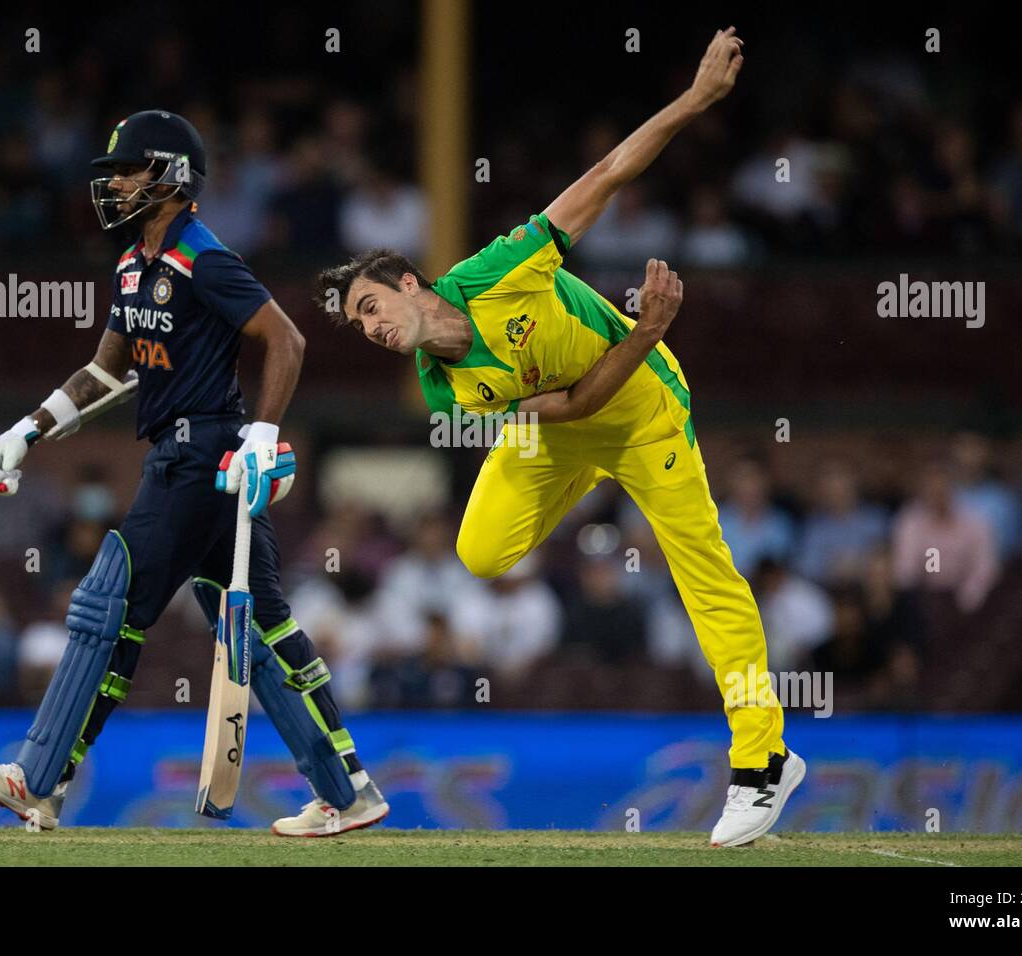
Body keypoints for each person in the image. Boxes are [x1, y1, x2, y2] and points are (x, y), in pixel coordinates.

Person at [317, 28, 803, 848]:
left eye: (368, 307)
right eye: (352, 324)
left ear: (408, 283)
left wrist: (695, 99)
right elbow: (571, 408)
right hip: (576, 418)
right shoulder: (450, 386)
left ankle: (763, 763)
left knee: (706, 577)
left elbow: (609, 172)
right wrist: (643, 331)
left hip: (647, 411)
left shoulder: (504, 267)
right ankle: (588, 494)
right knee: (478, 553)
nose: (365, 327)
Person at [0, 109, 386, 835]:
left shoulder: (204, 256)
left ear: (172, 176)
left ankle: (36, 777)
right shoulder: (133, 264)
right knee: (259, 628)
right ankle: (348, 792)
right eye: (115, 173)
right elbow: (106, 371)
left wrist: (261, 434)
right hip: (191, 461)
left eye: (130, 170)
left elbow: (286, 340)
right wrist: (25, 433)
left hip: (200, 457)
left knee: (107, 601)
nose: (117, 183)